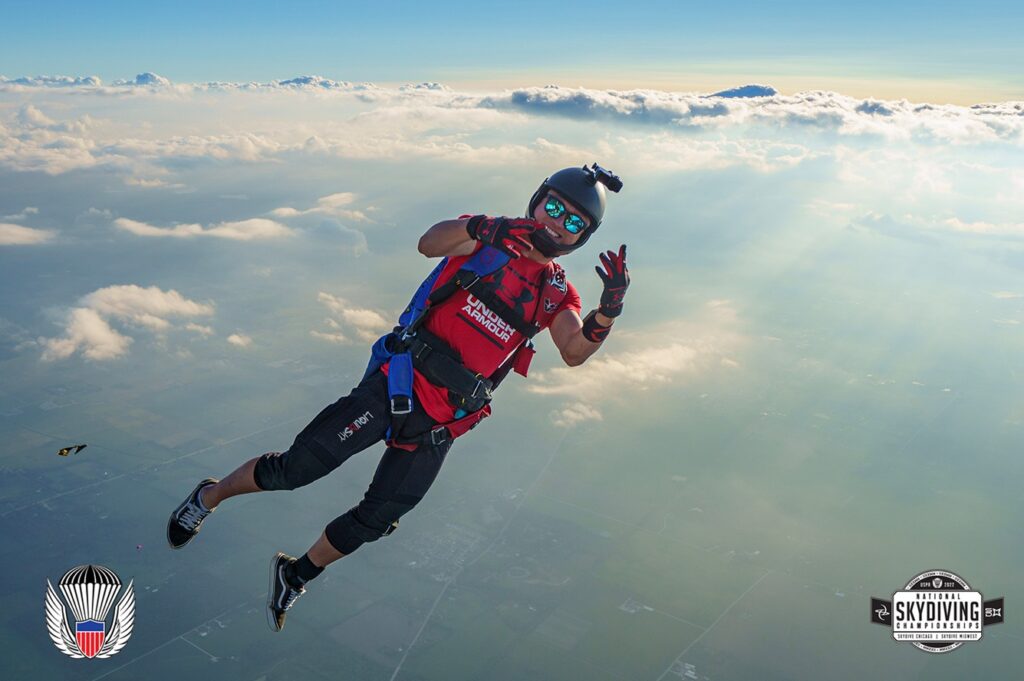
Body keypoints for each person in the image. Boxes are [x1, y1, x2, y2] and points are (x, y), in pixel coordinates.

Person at [166, 163, 630, 632]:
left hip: (443, 420)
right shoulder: (488, 239)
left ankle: (297, 573)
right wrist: (484, 228)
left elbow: (574, 351)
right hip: (397, 384)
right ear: (537, 200)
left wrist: (608, 311)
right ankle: (209, 496)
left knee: (378, 517)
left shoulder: (556, 292)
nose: (558, 223)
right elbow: (430, 243)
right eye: (554, 208)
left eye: (574, 221)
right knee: (295, 469)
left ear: (583, 236)